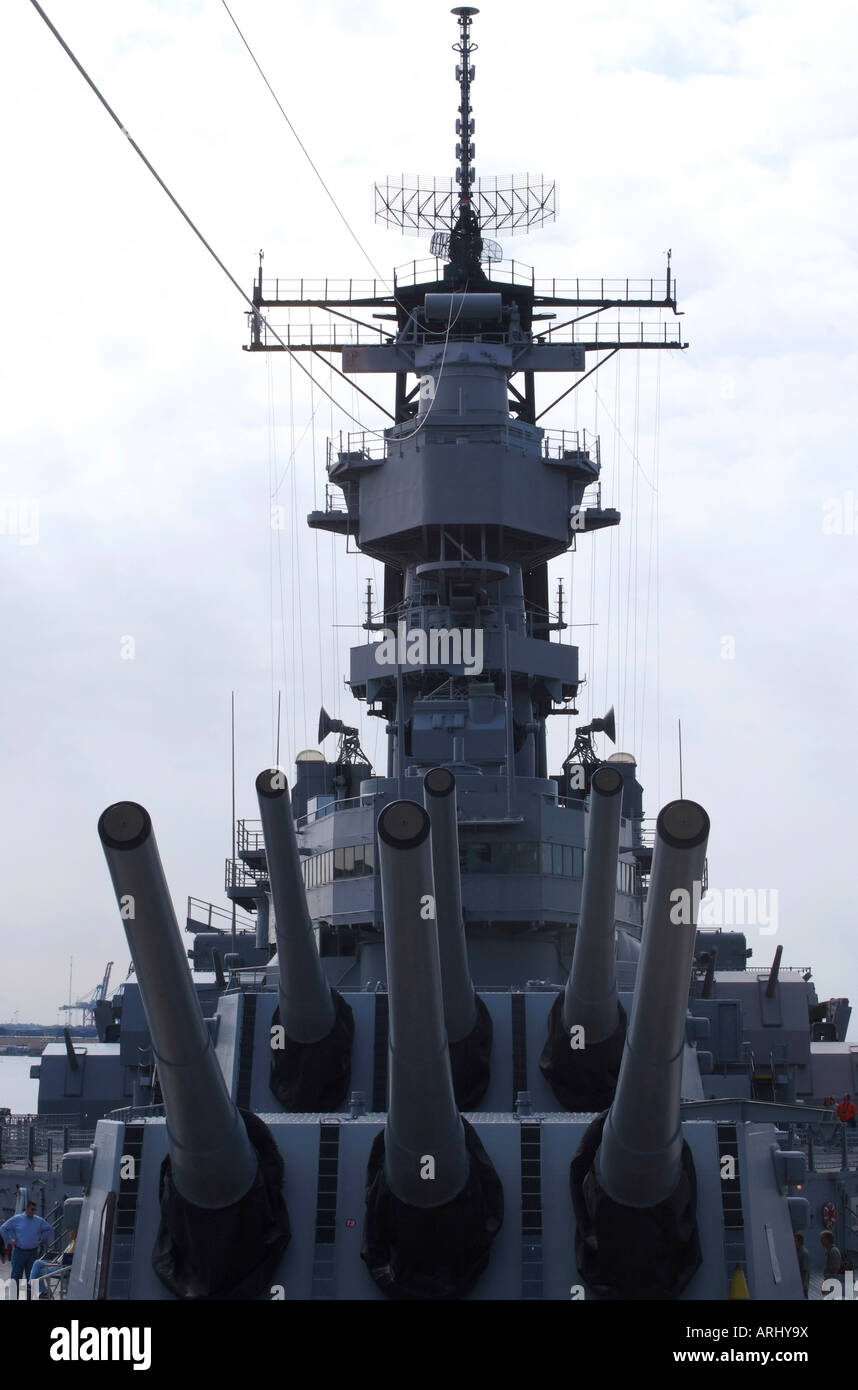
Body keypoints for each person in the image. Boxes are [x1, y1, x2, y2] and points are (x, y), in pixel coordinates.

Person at [0, 1201, 52, 1299]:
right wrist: (10, 1240)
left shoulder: (38, 1220)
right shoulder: (17, 1219)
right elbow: (3, 1228)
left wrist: (40, 1238)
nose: (33, 1212)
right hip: (19, 1252)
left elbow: (49, 1229)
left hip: (32, 1253)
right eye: (32, 1209)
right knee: (16, 1276)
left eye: (35, 1210)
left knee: (32, 1278)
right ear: (26, 1208)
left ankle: (31, 1298)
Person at [30, 1229, 76, 1301]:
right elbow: (63, 1257)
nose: (69, 1234)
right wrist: (54, 1262)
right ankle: (36, 1287)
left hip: (62, 1268)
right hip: (57, 1264)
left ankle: (41, 1290)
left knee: (37, 1271)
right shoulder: (71, 1243)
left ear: (75, 1233)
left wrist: (57, 1262)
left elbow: (67, 1260)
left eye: (71, 1232)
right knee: (37, 1263)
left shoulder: (75, 1244)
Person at [795, 1232, 809, 1298]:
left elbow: (805, 1270)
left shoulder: (804, 1253)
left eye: (795, 1240)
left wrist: (804, 1284)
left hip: (802, 1281)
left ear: (799, 1241)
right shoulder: (796, 1251)